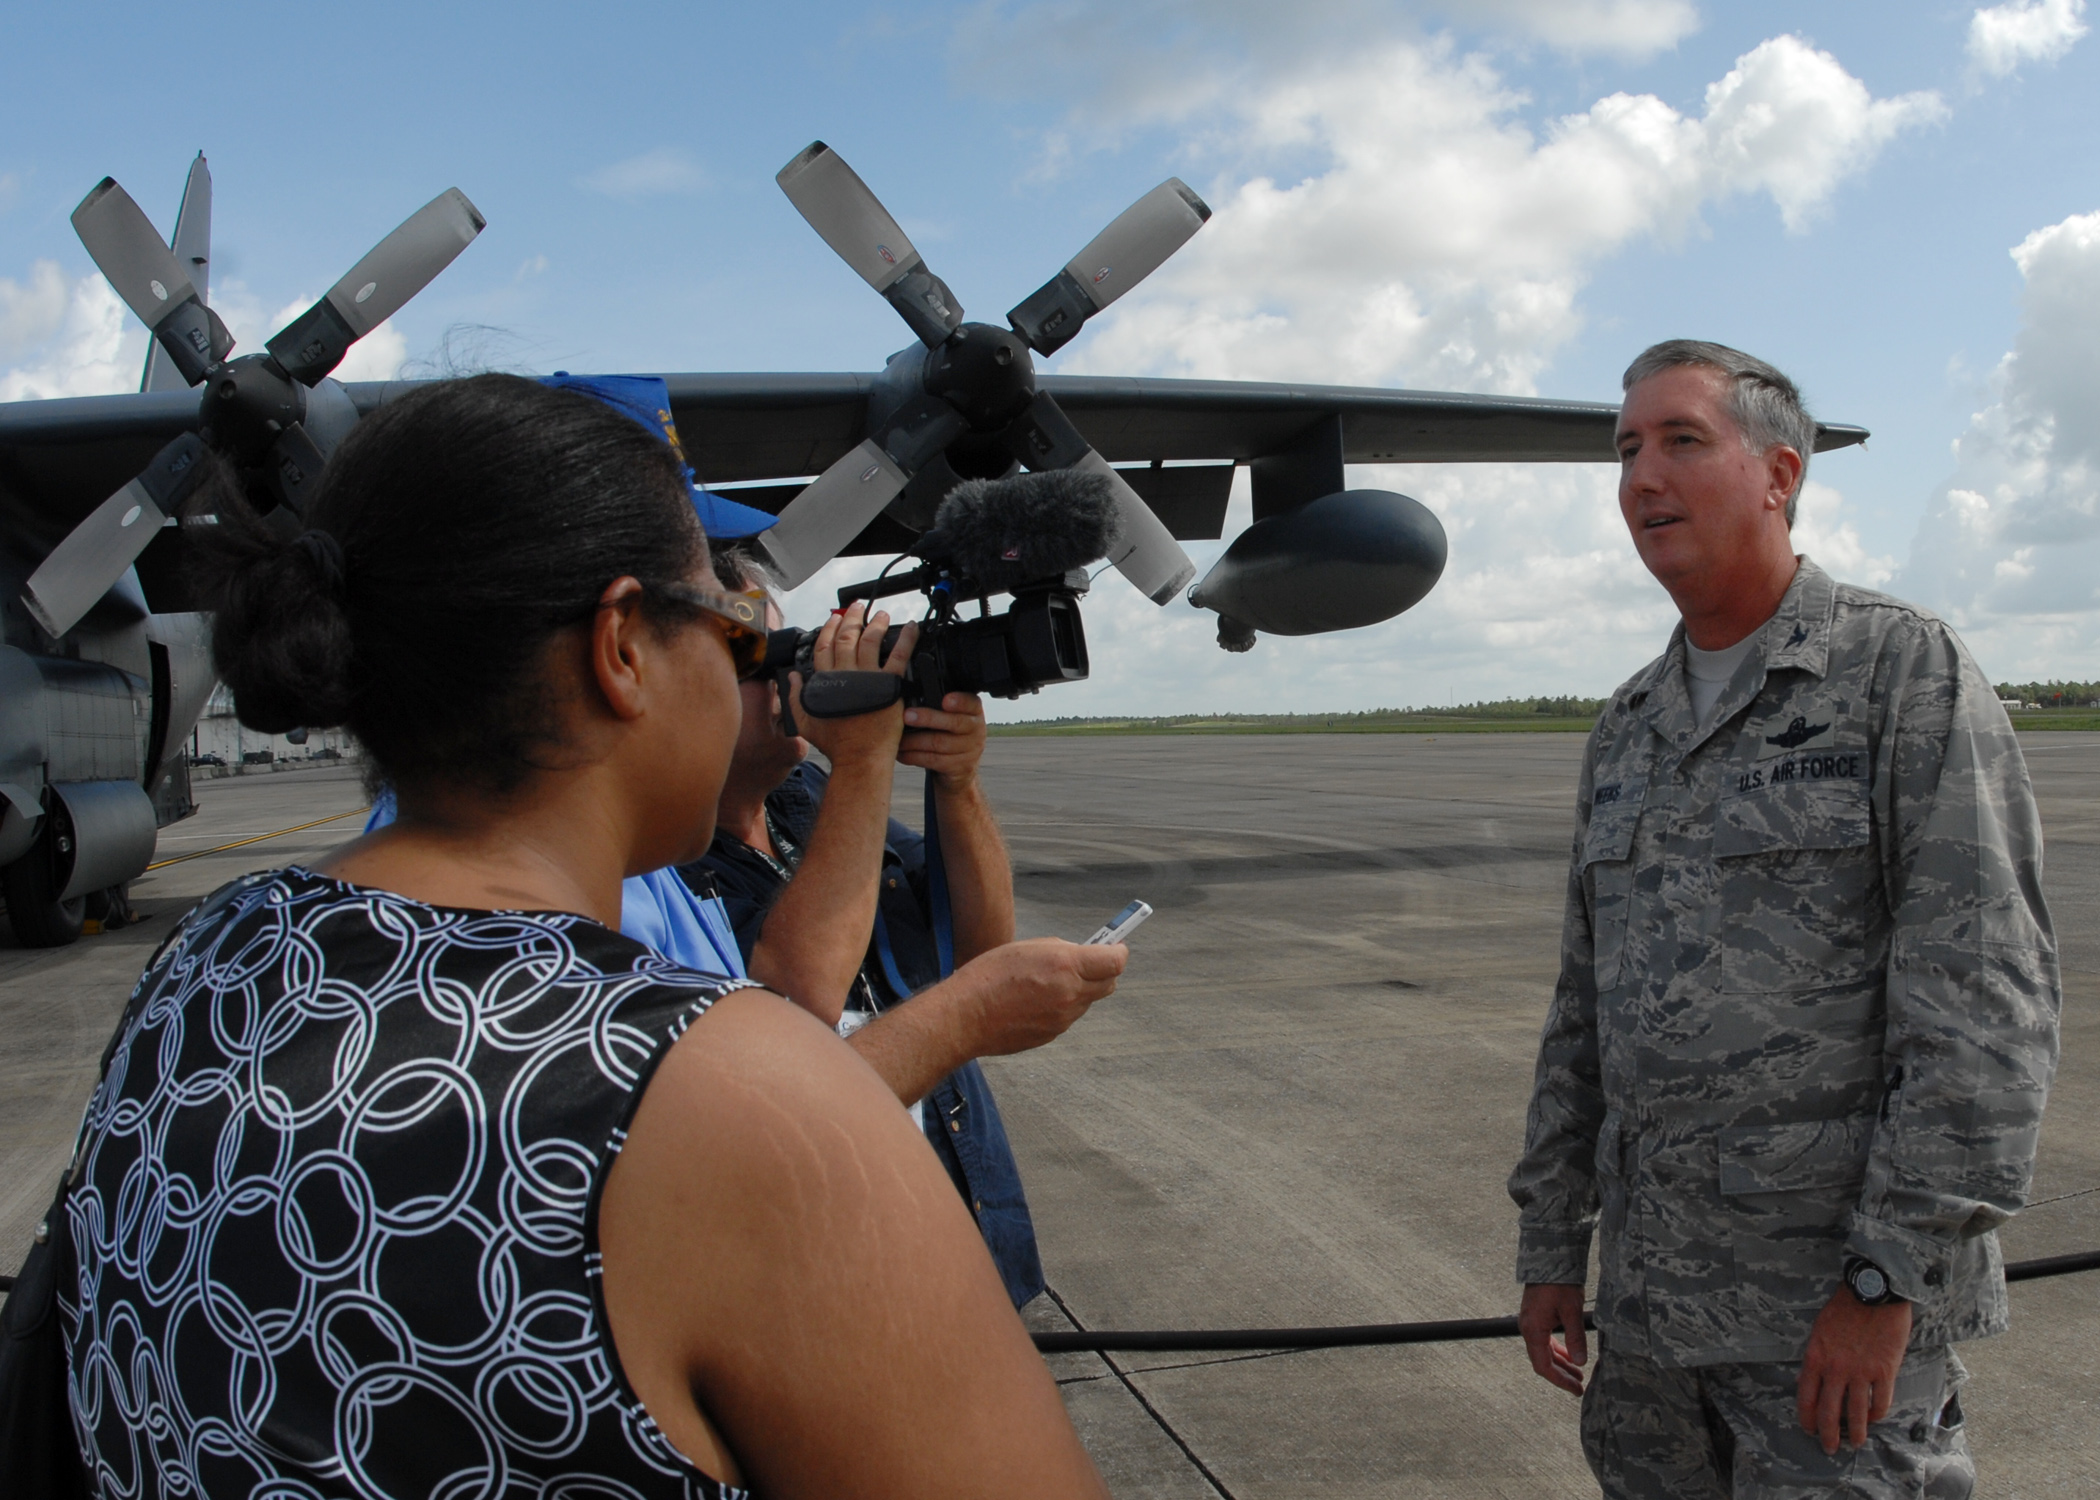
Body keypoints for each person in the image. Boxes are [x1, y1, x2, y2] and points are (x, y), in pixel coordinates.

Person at [58, 375, 1112, 1499]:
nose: (758, 672)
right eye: (734, 637)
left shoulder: (205, 961)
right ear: (620, 648)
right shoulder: (720, 1090)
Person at [1508, 340, 2060, 1499]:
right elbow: (1583, 1016)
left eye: (1681, 441)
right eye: (1625, 451)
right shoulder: (1628, 727)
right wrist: (1554, 1242)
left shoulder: (1898, 673)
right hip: (1653, 1334)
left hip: (1826, 1334)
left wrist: (1884, 1285)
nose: (1641, 477)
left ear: (1780, 475)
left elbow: (1983, 1008)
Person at [688, 546, 1119, 1308]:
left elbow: (977, 946)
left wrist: (956, 781)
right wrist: (864, 762)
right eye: (767, 660)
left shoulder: (807, 802)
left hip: (959, 1244)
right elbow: (797, 994)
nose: (796, 680)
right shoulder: (664, 864)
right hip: (835, 1283)